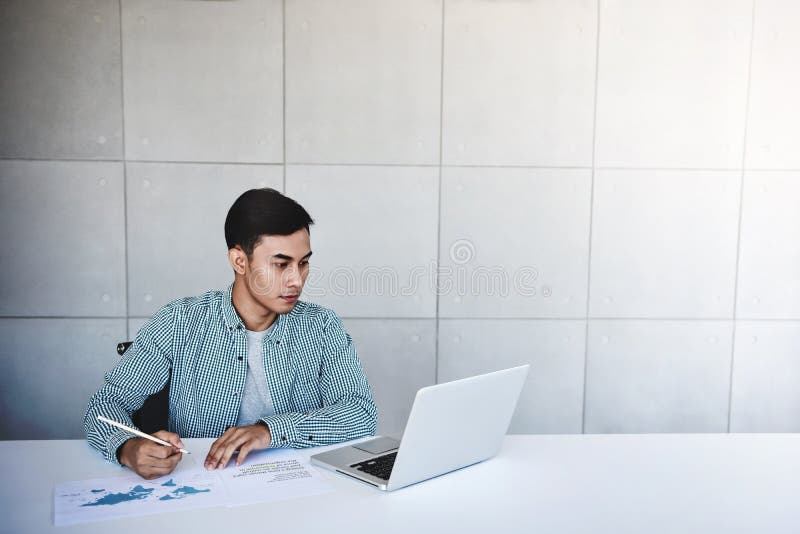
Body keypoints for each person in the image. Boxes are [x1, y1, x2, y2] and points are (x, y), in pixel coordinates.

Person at [84, 188, 377, 480]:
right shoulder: (179, 321)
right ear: (239, 261)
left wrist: (270, 432)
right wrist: (128, 448)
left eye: (303, 263)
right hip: (201, 487)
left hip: (294, 492)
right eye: (281, 264)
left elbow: (360, 413)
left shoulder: (322, 326)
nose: (296, 280)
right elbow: (105, 405)